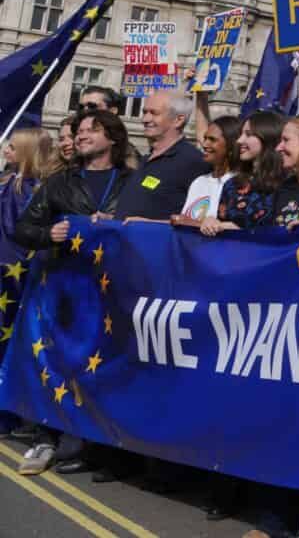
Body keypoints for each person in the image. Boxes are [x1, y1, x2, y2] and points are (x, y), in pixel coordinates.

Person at [13, 109, 131, 475]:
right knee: (57, 364)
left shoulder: (132, 181)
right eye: (79, 130)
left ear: (113, 137)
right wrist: (47, 234)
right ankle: (47, 437)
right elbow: (23, 228)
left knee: (101, 371)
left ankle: (90, 444)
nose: (80, 135)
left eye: (91, 130)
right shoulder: (60, 182)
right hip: (65, 288)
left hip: (112, 290)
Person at [113, 92, 208, 222]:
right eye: (144, 112)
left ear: (178, 120)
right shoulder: (145, 159)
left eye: (154, 113)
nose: (145, 119)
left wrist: (151, 224)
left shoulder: (194, 161)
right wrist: (111, 219)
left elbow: (198, 221)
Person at [202, 111, 287, 235]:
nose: (239, 140)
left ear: (267, 137)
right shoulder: (232, 184)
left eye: (248, 134)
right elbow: (221, 223)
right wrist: (211, 222)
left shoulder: (286, 184)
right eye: (241, 134)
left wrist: (239, 229)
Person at [0, 128, 54, 266]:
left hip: (10, 256)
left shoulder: (26, 187)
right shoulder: (10, 177)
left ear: (27, 153)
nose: (6, 150)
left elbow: (12, 225)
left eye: (12, 148)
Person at [181, 115, 242, 222]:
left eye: (212, 140)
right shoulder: (199, 182)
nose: (204, 144)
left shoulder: (240, 184)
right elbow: (185, 220)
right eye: (205, 138)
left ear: (231, 144)